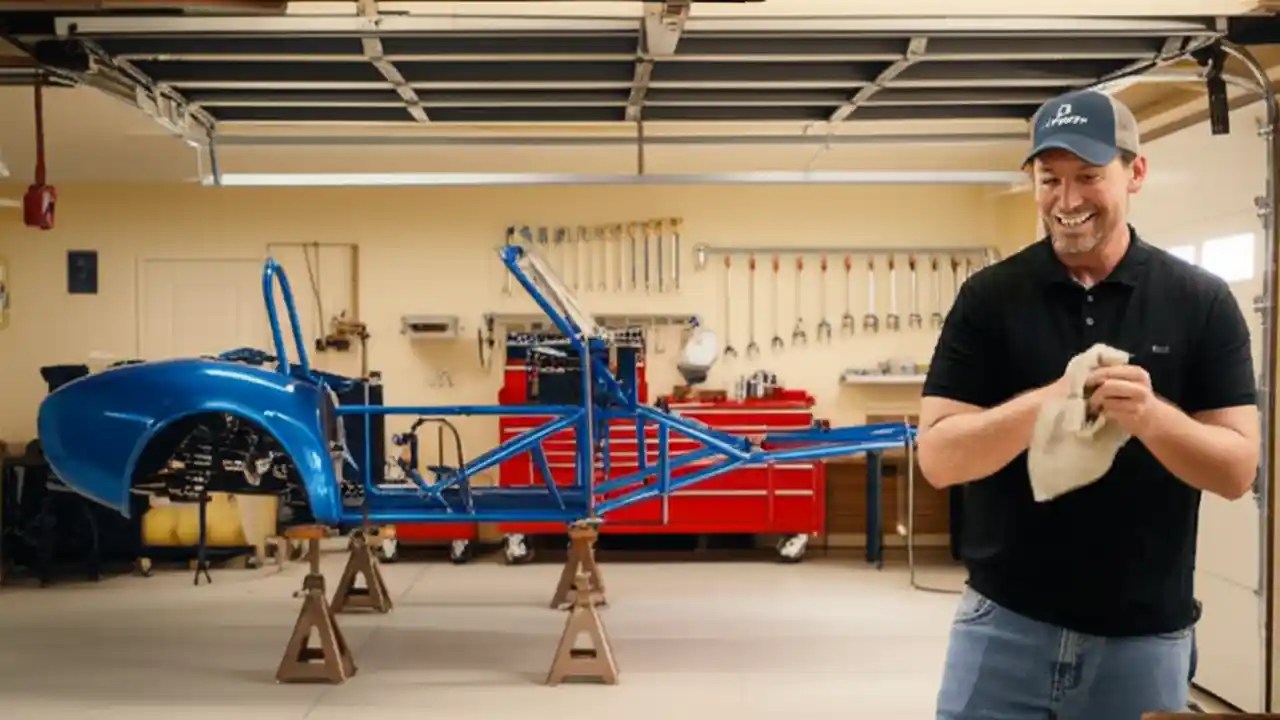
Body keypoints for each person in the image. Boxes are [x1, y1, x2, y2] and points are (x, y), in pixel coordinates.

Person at [918, 88, 1261, 719]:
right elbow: (938, 458)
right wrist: (1050, 400)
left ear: (1135, 173)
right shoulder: (990, 298)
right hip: (1002, 628)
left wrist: (1151, 417)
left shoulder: (1200, 302)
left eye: (1088, 177)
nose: (1068, 200)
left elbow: (1238, 471)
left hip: (1142, 642)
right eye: (1050, 179)